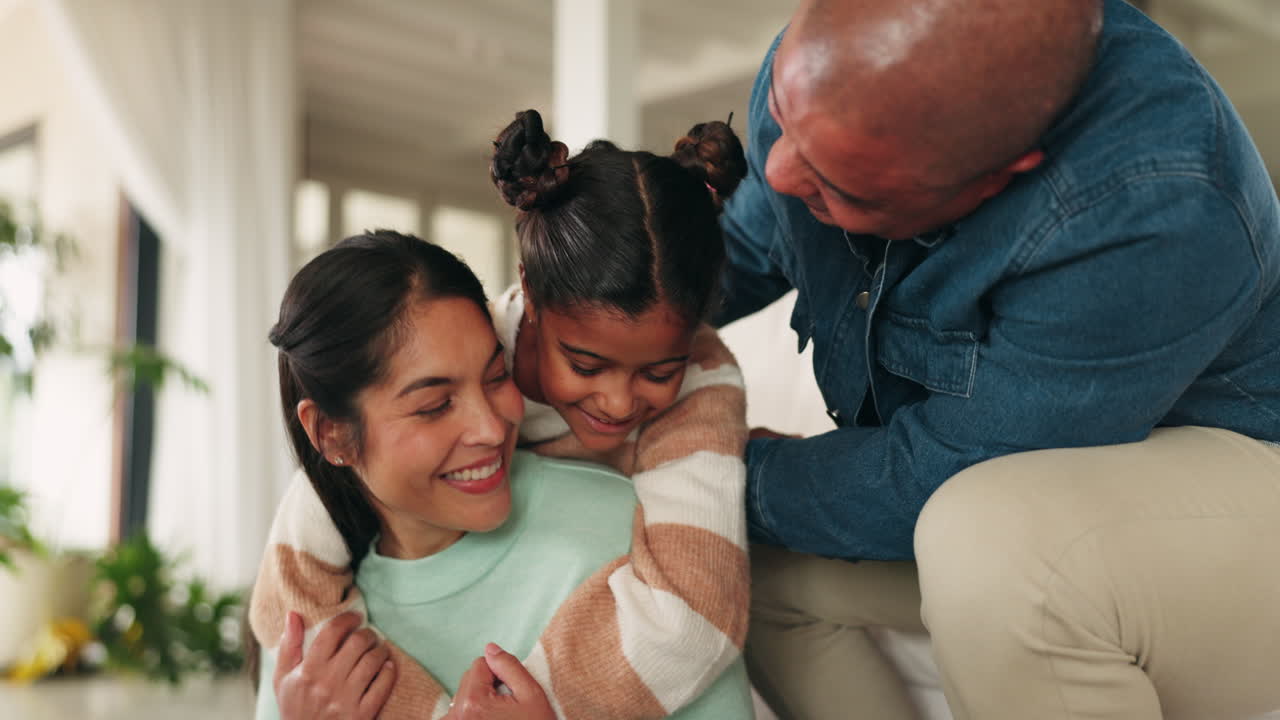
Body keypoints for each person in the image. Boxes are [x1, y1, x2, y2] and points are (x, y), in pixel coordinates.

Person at [714, 0, 1280, 719]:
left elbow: (948, 467)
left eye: (839, 191)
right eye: (781, 112)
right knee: (737, 558)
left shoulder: (1154, 200)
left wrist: (704, 469)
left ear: (997, 177)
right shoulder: (827, 83)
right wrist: (557, 322)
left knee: (991, 545)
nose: (779, 171)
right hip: (1041, 471)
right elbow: (723, 261)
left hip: (1249, 472)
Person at [251, 110, 756, 720]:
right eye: (436, 404)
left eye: (495, 378)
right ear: (331, 434)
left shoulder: (628, 533)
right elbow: (291, 583)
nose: (492, 427)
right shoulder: (314, 660)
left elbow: (694, 622)